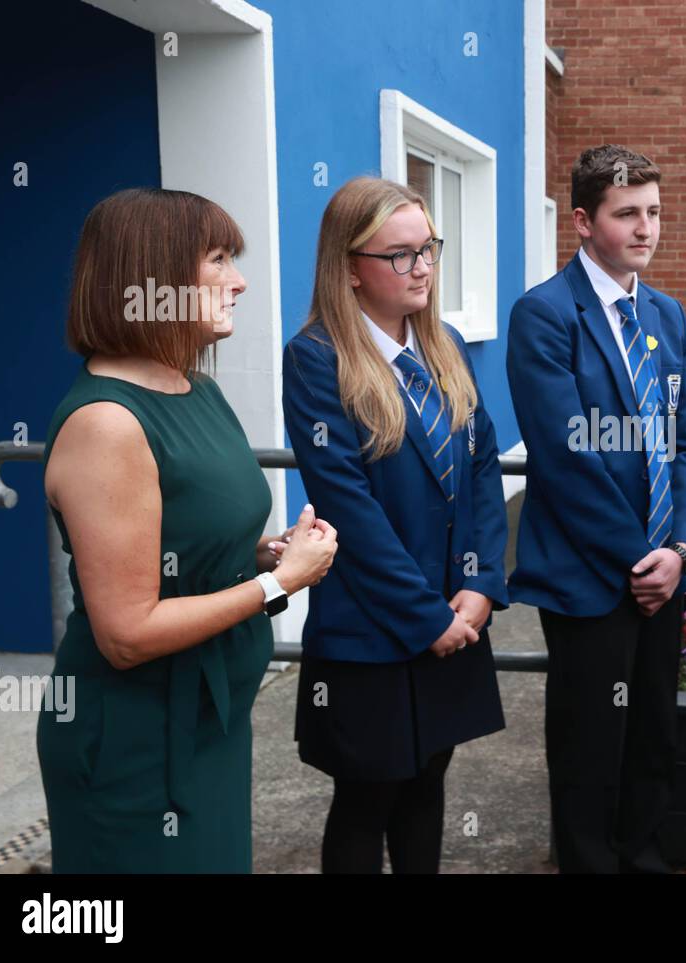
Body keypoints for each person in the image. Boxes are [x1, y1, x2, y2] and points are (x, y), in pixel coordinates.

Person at [38, 188, 338, 873]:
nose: (238, 279)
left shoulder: (193, 387)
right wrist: (276, 583)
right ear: (155, 277)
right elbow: (126, 633)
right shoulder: (106, 424)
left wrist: (258, 554)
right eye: (218, 258)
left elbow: (183, 544)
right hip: (134, 744)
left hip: (208, 721)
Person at [282, 176, 507, 874]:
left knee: (427, 785)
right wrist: (425, 617)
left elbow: (481, 469)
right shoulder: (318, 360)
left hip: (453, 615)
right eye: (400, 255)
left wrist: (479, 587)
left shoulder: (444, 346)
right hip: (373, 630)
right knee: (368, 797)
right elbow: (349, 506)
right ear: (349, 269)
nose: (422, 268)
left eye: (429, 249)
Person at [507, 145, 686, 873]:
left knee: (654, 735)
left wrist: (679, 554)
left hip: (664, 572)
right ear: (584, 221)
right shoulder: (544, 315)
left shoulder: (666, 314)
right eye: (628, 213)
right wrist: (639, 560)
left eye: (654, 212)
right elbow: (567, 460)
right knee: (591, 747)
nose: (646, 227)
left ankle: (644, 860)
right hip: (593, 580)